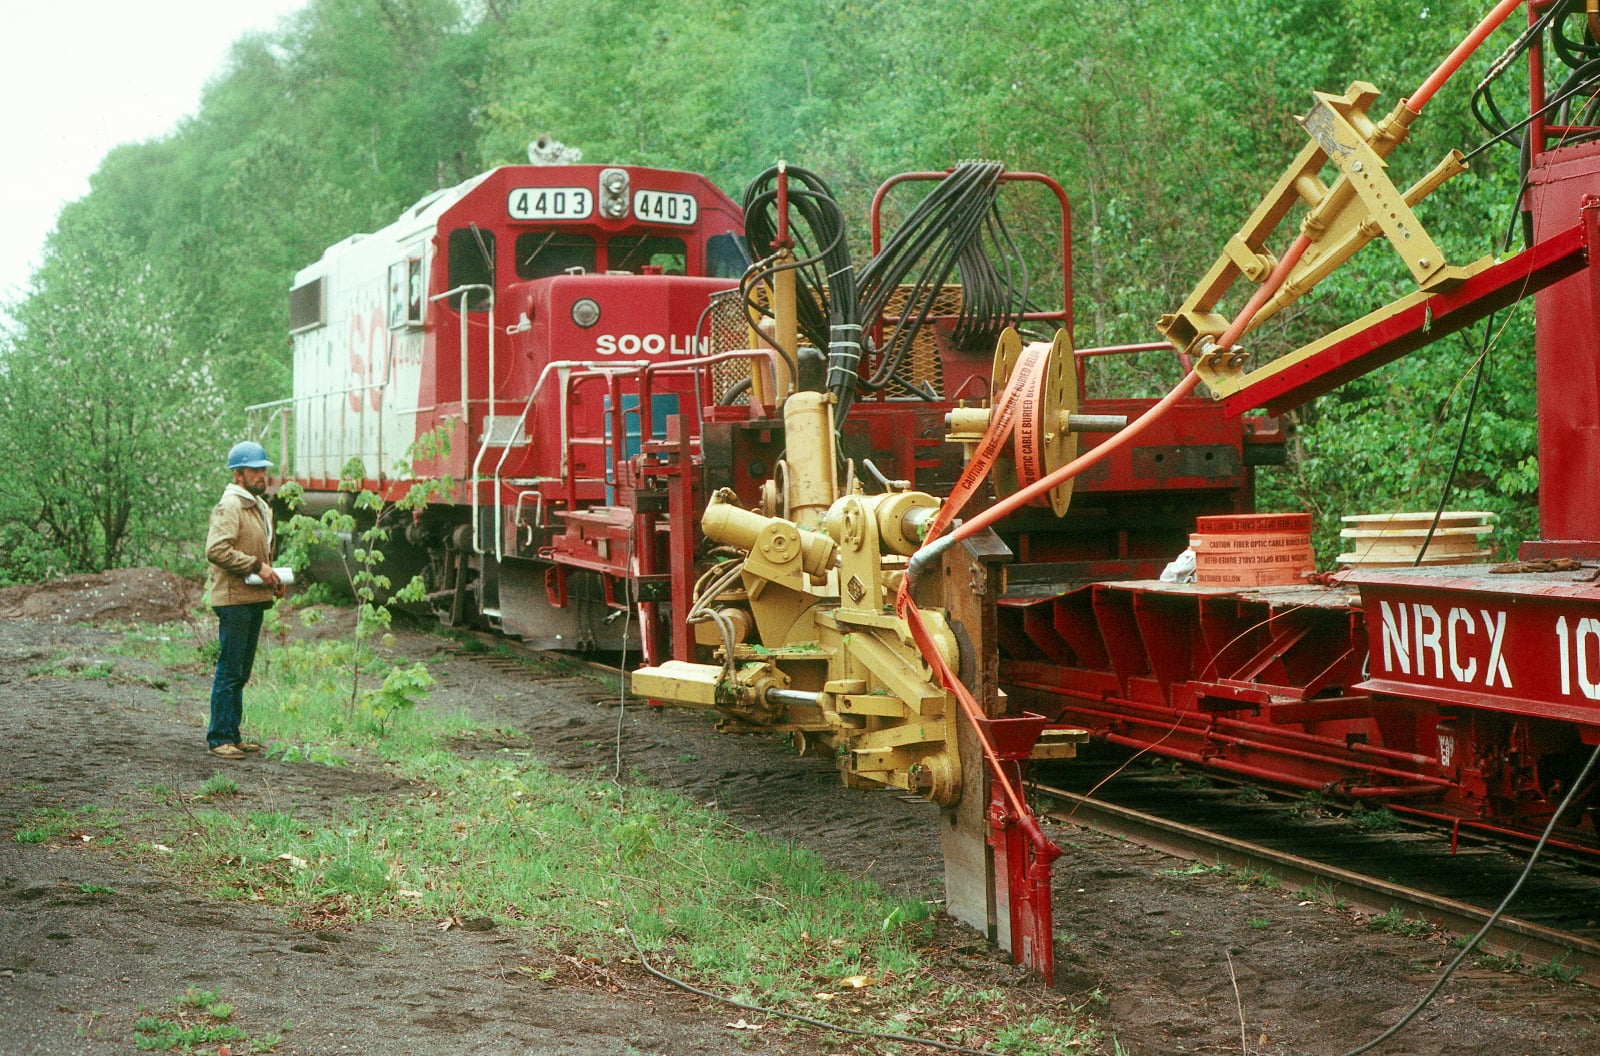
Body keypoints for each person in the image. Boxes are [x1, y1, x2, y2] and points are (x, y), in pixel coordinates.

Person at [204, 441, 283, 759]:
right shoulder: (231, 506)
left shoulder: (259, 506)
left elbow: (258, 551)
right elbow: (216, 550)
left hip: (251, 596)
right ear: (239, 474)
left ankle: (232, 734)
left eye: (264, 469)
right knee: (230, 669)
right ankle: (219, 737)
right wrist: (256, 567)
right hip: (234, 599)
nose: (262, 475)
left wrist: (273, 578)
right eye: (256, 470)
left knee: (241, 671)